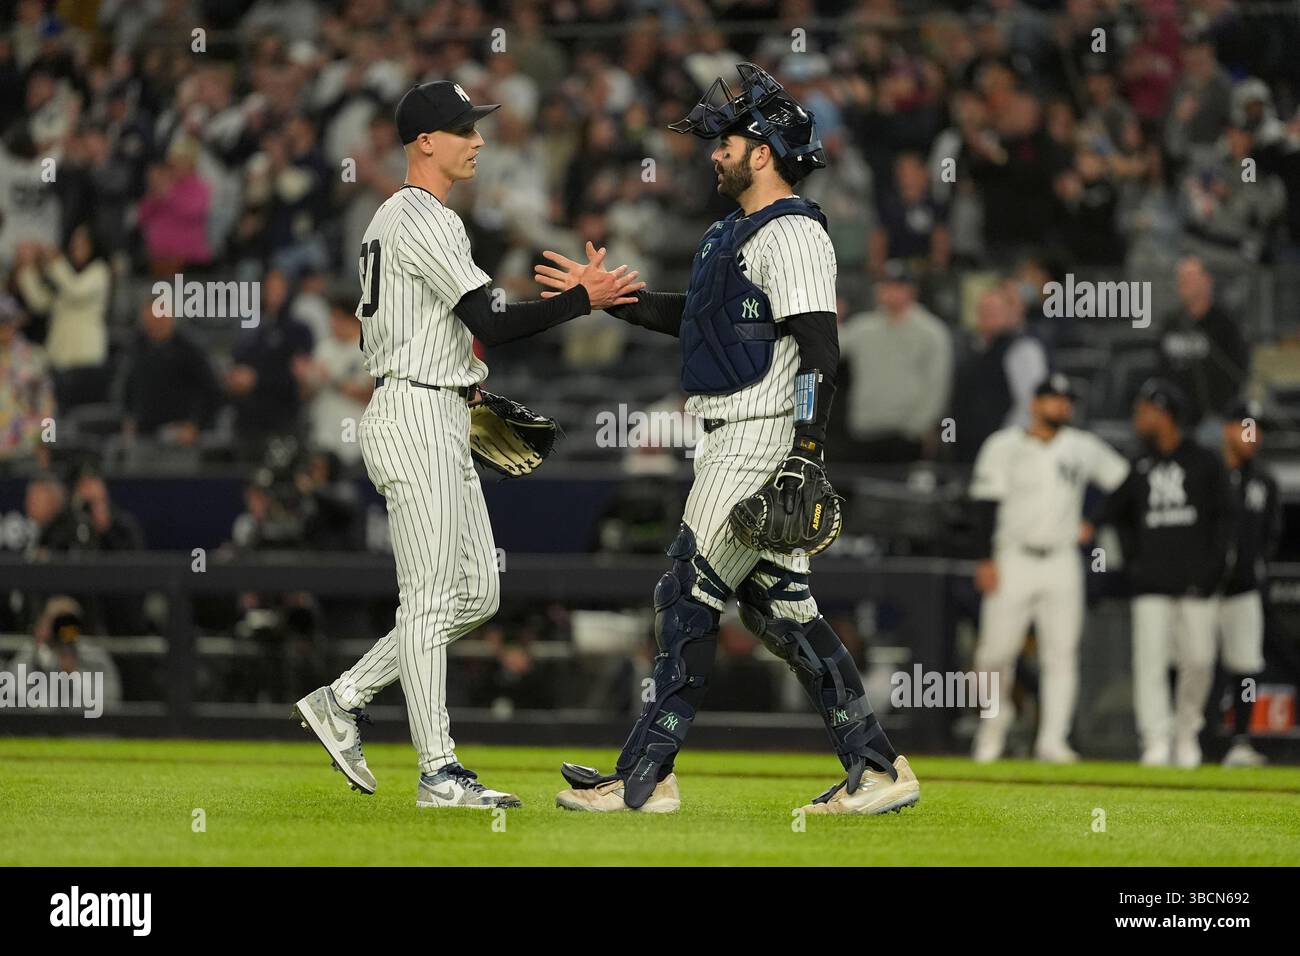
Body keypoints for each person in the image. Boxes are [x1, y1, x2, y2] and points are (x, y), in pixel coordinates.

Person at [535, 63, 919, 815]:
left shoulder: (796, 230)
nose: (714, 152)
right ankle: (875, 766)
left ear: (764, 152)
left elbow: (820, 349)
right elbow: (704, 321)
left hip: (759, 433)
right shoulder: (729, 232)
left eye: (729, 142)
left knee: (687, 590)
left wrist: (805, 454)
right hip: (729, 432)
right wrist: (616, 300)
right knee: (781, 609)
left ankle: (646, 777)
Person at [291, 80, 640, 810]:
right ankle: (438, 772)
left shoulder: (403, 218)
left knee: (477, 593)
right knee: (426, 600)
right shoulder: (422, 216)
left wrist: (468, 387)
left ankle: (343, 697)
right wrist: (585, 300)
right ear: (424, 142)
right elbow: (496, 319)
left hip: (439, 404)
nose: (478, 140)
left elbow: (451, 325)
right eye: (462, 129)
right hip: (416, 411)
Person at [968, 374, 1129, 763]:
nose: (1061, 406)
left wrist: (1095, 520)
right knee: (993, 655)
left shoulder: (1082, 446)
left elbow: (1126, 482)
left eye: (1066, 400)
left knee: (1061, 655)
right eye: (1053, 399)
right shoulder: (1003, 444)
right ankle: (994, 728)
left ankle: (1053, 740)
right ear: (1034, 404)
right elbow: (983, 507)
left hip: (1061, 560)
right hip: (1013, 557)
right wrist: (984, 559)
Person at [1096, 379, 1234, 768]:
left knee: (1201, 660)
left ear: (1165, 413)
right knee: (1149, 663)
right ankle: (1156, 739)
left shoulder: (1205, 462)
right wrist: (1133, 560)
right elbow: (1113, 512)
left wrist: (1214, 569)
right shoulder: (1139, 465)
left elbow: (1225, 520)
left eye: (1145, 411)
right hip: (1151, 583)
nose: (1139, 418)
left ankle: (1187, 731)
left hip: (1197, 583)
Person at [1217, 400, 1281, 767]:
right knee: (1195, 664)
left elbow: (1271, 533)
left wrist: (1254, 566)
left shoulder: (1264, 480)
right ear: (1228, 429)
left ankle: (1240, 739)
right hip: (1203, 589)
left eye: (1257, 429)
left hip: (1243, 588)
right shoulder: (1209, 473)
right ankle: (1190, 737)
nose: (1252, 436)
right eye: (1246, 427)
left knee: (1246, 667)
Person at [838, 260, 952, 463]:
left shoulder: (931, 332)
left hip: (906, 434)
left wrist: (918, 427)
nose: (889, 291)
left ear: (911, 291)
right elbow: (832, 348)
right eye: (885, 285)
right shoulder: (863, 328)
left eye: (897, 286)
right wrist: (831, 318)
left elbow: (937, 385)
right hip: (865, 430)